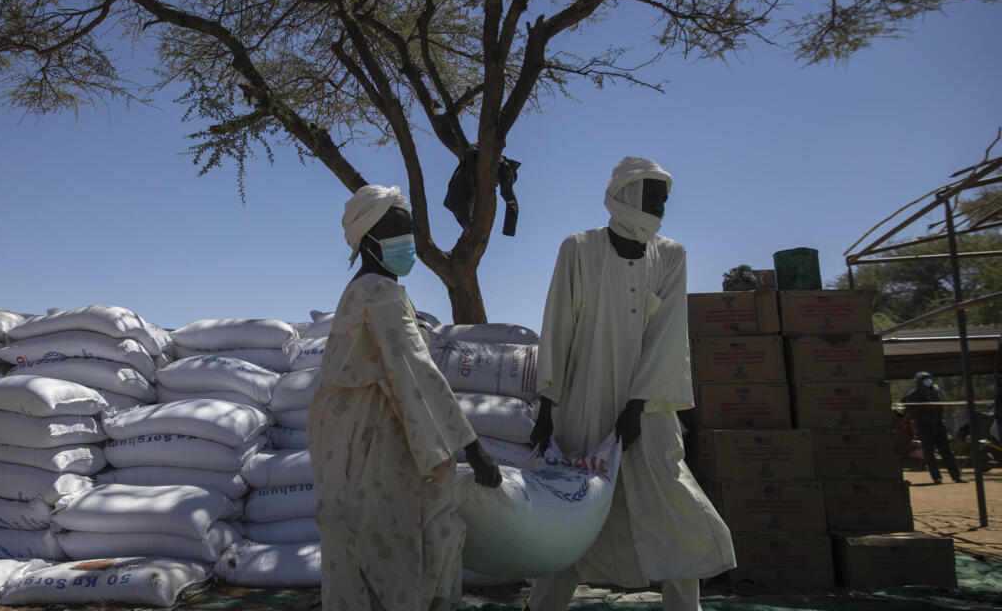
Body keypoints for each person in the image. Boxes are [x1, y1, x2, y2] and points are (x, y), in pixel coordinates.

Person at [526, 157, 735, 611]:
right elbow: (557, 325)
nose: (660, 206)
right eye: (652, 196)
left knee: (672, 503)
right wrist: (547, 403)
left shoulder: (671, 255)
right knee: (574, 509)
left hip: (650, 408)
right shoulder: (578, 249)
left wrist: (638, 405)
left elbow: (668, 336)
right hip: (585, 400)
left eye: (664, 199)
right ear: (625, 195)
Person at [308, 184, 501, 611]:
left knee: (361, 552)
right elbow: (415, 373)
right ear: (371, 237)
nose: (409, 240)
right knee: (393, 552)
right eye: (399, 229)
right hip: (371, 441)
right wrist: (471, 445)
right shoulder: (380, 293)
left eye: (410, 228)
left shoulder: (365, 290)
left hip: (349, 440)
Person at [902, 371, 963, 483]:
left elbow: (941, 404)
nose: (927, 381)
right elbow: (907, 407)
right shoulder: (913, 395)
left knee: (947, 452)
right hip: (924, 427)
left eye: (928, 378)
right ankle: (937, 477)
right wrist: (922, 413)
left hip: (939, 425)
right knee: (929, 453)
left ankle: (956, 476)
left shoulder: (936, 390)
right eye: (924, 379)